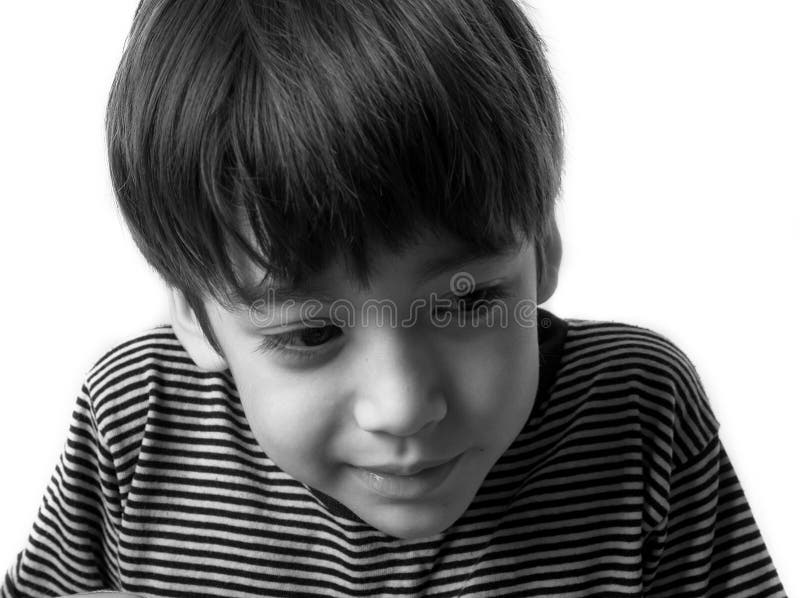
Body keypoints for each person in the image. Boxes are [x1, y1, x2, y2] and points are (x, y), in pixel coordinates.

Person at [1, 0, 787, 596]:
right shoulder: (139, 418)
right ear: (196, 318)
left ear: (542, 250)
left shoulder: (635, 411)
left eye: (469, 302)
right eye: (309, 336)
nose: (404, 407)